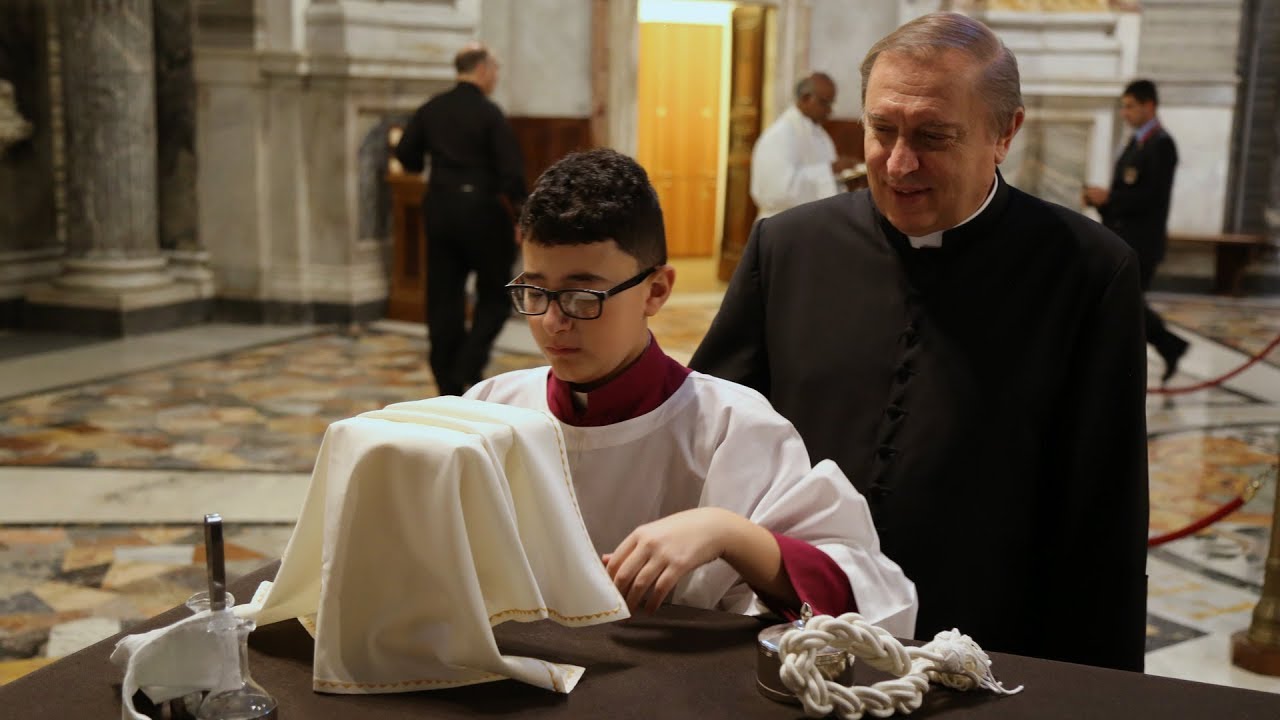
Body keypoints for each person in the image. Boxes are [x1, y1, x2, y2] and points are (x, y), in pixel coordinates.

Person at [690, 12, 1149, 671]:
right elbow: (711, 437)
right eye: (882, 130)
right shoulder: (789, 247)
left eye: (933, 136)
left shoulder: (1090, 272)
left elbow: (1102, 518)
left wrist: (1098, 692)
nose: (899, 163)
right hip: (795, 633)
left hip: (986, 644)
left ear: (1004, 134)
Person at [465, 148, 917, 634]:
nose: (553, 322)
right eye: (535, 292)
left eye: (582, 296)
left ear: (656, 290)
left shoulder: (732, 428)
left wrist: (732, 535)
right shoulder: (490, 412)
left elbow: (870, 594)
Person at [394, 43, 526, 397]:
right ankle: (467, 364)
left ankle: (446, 376)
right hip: (482, 211)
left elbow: (406, 152)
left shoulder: (432, 108)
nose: (496, 76)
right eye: (495, 69)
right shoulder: (488, 113)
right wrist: (522, 216)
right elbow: (511, 172)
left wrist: (421, 168)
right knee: (496, 296)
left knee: (443, 296)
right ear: (482, 70)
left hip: (439, 208)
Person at [1084, 79, 1189, 383]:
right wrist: (1102, 202)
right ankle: (1169, 347)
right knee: (1123, 304)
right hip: (1123, 237)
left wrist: (1109, 199)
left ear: (1149, 106)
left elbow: (1152, 197)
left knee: (1124, 305)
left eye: (1130, 106)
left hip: (1142, 243)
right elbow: (1126, 192)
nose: (1124, 113)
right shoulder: (1135, 142)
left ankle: (1164, 349)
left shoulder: (1161, 144)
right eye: (1123, 106)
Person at [750, 72, 859, 219]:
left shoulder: (820, 135)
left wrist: (848, 180)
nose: (829, 110)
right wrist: (831, 169)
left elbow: (827, 186)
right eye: (824, 103)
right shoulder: (778, 136)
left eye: (831, 104)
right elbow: (775, 191)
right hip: (781, 225)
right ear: (805, 98)